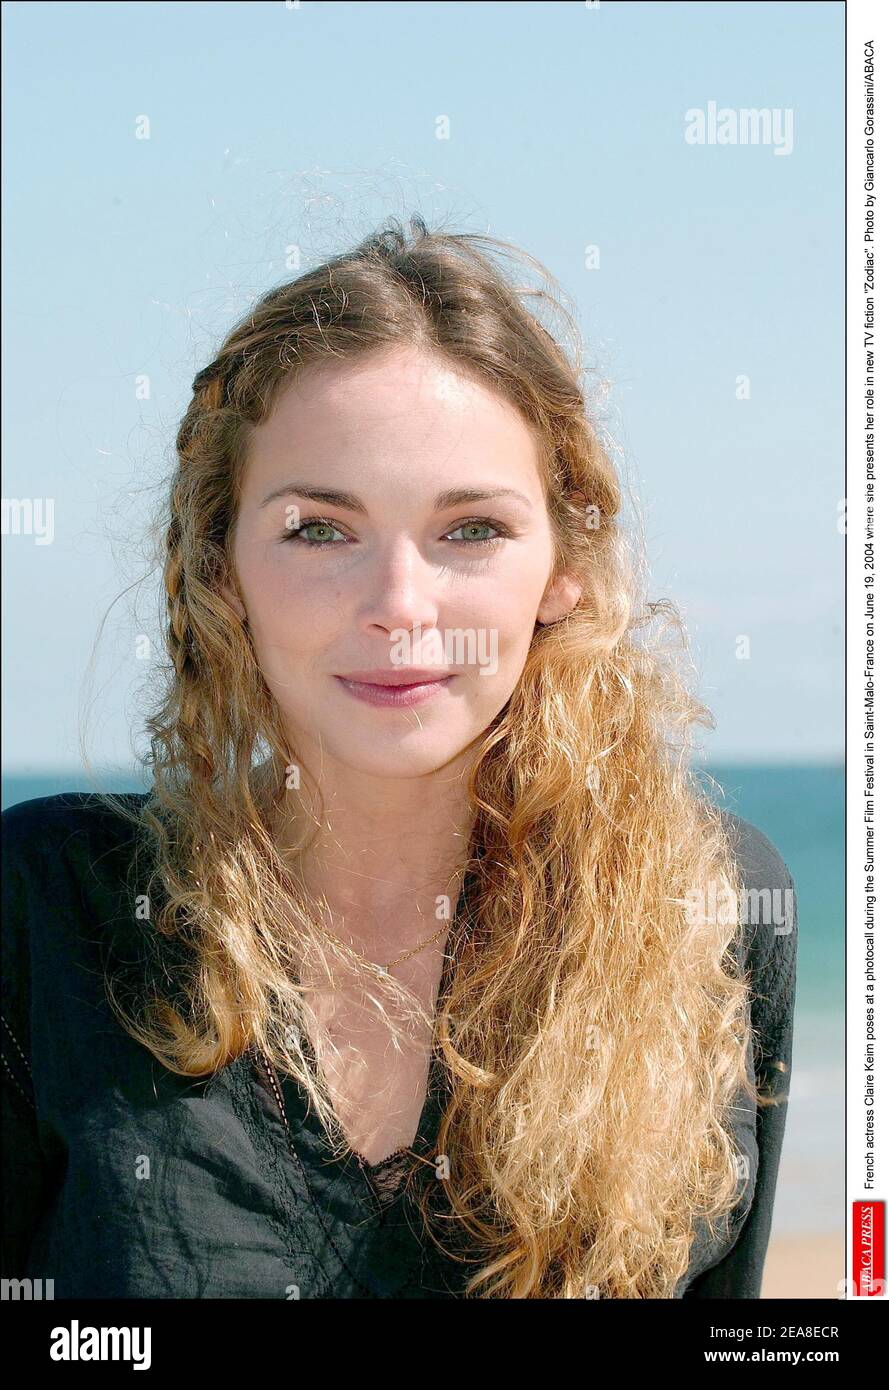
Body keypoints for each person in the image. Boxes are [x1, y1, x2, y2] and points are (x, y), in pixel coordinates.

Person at [1, 215, 797, 1299]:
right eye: (319, 529)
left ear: (562, 567)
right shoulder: (45, 909)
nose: (399, 608)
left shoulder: (706, 906)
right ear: (222, 564)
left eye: (470, 529)